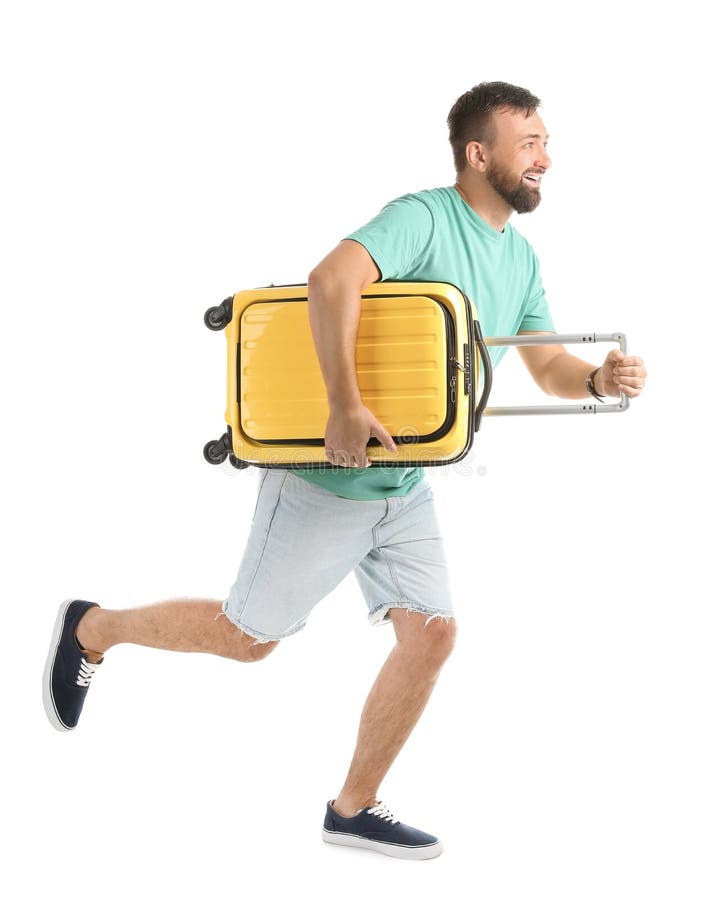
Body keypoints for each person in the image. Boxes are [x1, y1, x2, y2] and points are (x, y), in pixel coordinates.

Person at [43, 81, 647, 860]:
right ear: (478, 153)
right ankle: (92, 627)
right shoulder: (423, 217)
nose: (544, 159)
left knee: (431, 636)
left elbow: (546, 366)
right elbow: (330, 279)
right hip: (326, 481)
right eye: (528, 143)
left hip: (405, 484)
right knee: (247, 639)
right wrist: (342, 405)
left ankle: (352, 809)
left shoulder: (519, 257)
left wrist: (596, 381)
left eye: (542, 143)